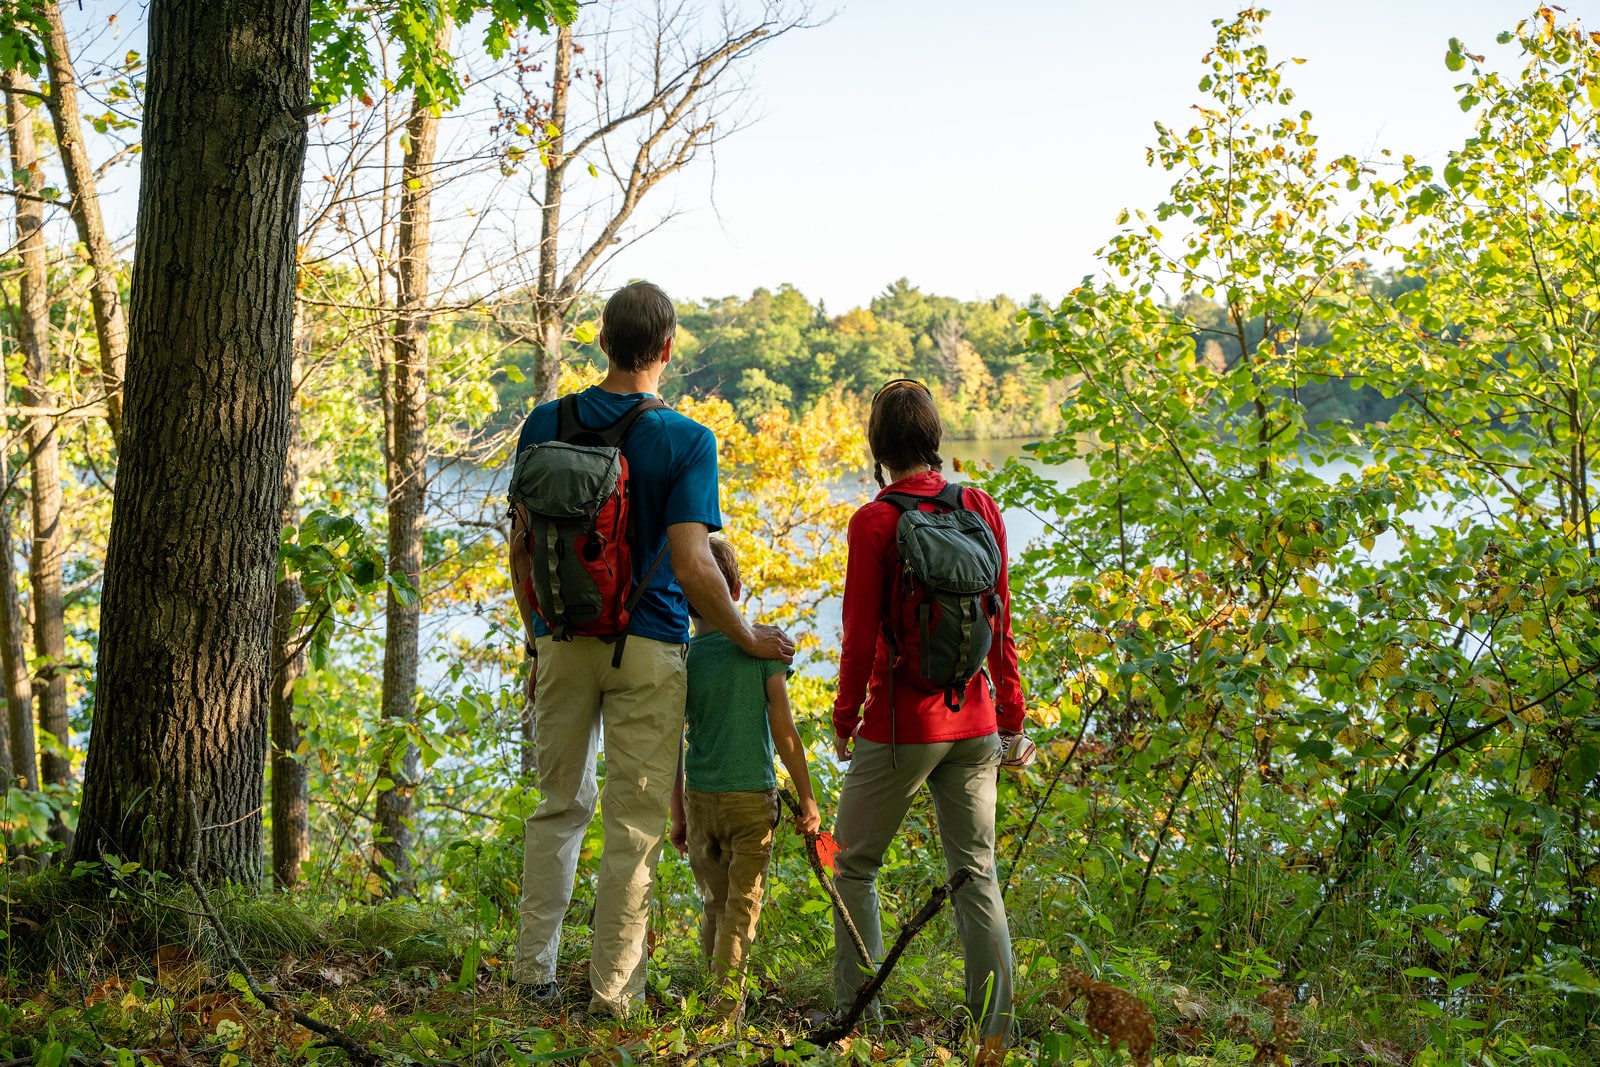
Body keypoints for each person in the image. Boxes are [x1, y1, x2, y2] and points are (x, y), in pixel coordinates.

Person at [508, 281, 794, 1018]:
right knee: (633, 828)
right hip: (649, 646)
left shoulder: (545, 422)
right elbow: (694, 565)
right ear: (668, 348)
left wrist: (537, 643)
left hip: (563, 638)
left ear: (603, 342)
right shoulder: (687, 439)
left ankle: (533, 976)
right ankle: (613, 995)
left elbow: (521, 549)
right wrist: (746, 634)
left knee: (558, 808)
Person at [829, 378, 1028, 1042]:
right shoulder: (979, 505)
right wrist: (1011, 715)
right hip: (975, 721)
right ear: (935, 438)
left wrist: (845, 718)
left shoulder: (874, 522)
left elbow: (858, 638)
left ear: (878, 447)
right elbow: (1000, 624)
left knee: (850, 863)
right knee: (977, 874)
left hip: (901, 726)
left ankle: (857, 1022)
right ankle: (993, 1035)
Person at [667, 536, 822, 1016]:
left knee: (715, 904)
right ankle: (722, 1015)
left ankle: (708, 1003)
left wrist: (678, 813)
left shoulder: (684, 659)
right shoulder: (761, 649)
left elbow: (672, 746)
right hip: (751, 800)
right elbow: (785, 731)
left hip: (700, 800)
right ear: (734, 590)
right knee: (740, 909)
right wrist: (808, 798)